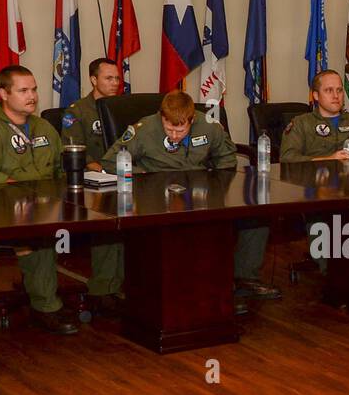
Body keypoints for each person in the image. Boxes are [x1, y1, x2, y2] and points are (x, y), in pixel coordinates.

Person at [100, 90, 280, 306]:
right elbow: (110, 161)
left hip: (199, 192)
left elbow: (226, 158)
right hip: (154, 195)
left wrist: (216, 184)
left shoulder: (208, 126)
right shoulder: (144, 130)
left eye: (181, 130)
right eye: (169, 129)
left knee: (256, 216)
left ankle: (244, 278)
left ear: (192, 120)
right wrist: (146, 175)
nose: (174, 135)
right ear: (162, 117)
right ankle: (180, 287)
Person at [0, 66, 92, 334]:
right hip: (3, 210)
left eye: (34, 89)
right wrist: (26, 192)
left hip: (49, 202)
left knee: (109, 222)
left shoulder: (44, 127)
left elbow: (60, 169)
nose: (32, 96)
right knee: (40, 233)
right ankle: (46, 306)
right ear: (3, 93)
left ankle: (105, 292)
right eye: (23, 90)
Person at [280, 70, 349, 161]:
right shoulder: (301, 123)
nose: (336, 96)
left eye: (339, 90)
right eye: (329, 90)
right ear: (316, 95)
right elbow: (287, 158)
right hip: (315, 182)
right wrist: (328, 159)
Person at [60, 58, 122, 172]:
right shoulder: (77, 111)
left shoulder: (123, 107)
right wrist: (103, 171)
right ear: (94, 80)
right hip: (93, 174)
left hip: (121, 169)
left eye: (117, 78)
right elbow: (74, 148)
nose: (115, 83)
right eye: (109, 78)